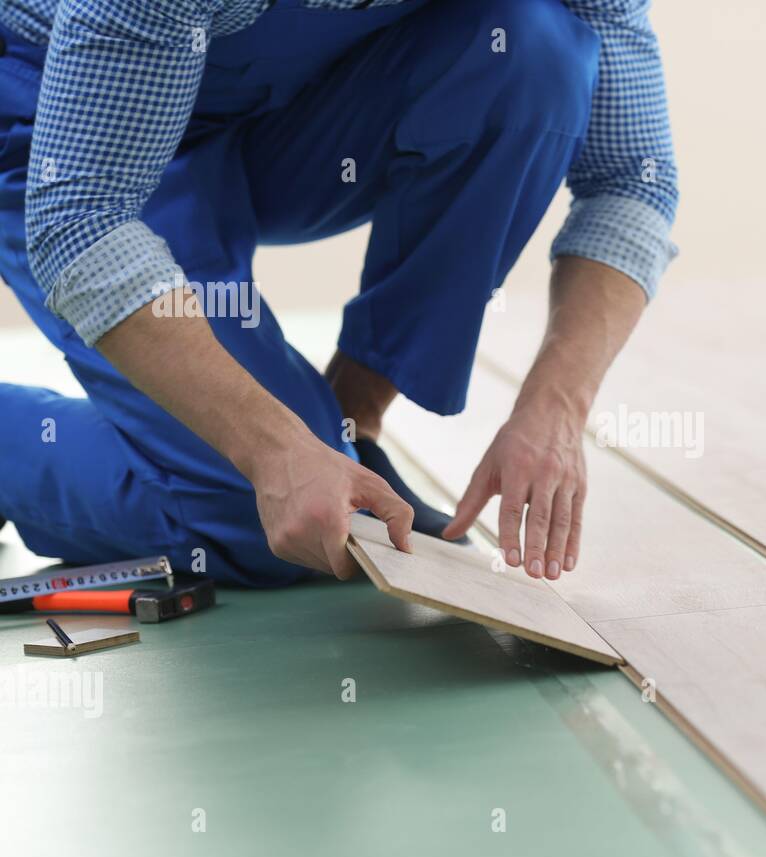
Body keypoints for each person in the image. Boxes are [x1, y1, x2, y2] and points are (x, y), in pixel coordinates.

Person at [0, 0, 677, 586]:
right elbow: (82, 217)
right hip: (70, 128)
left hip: (273, 106)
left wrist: (555, 409)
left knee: (531, 49)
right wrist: (274, 453)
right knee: (250, 511)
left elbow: (632, 181)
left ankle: (354, 422)